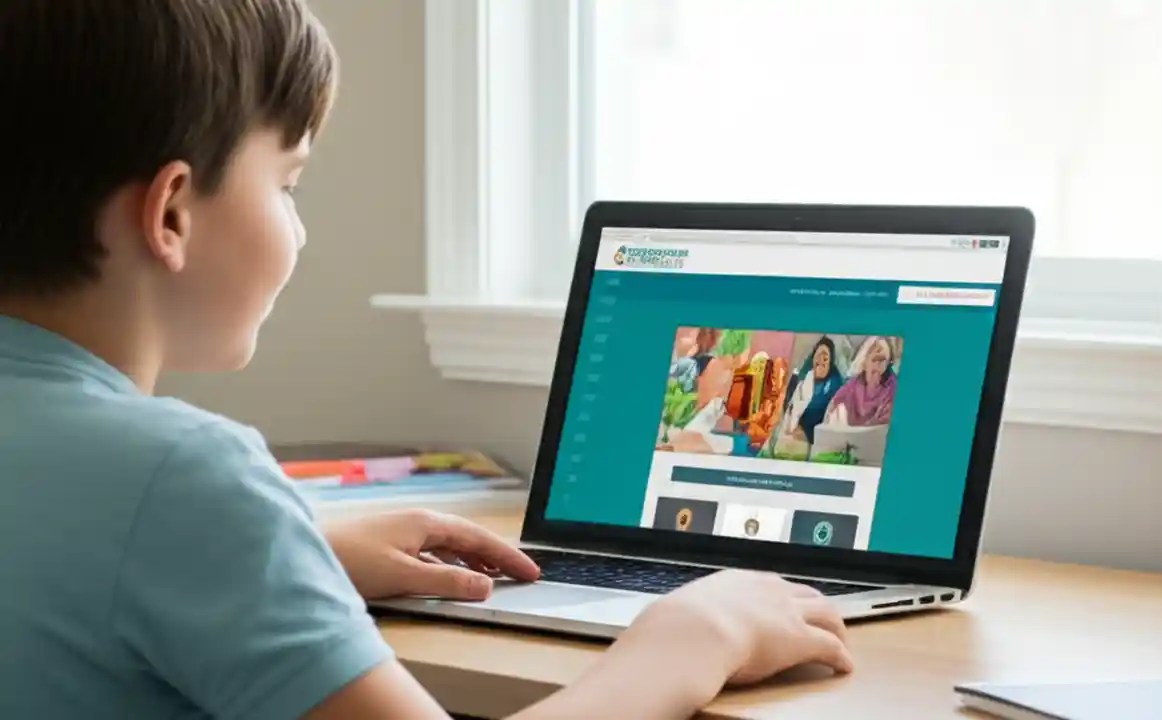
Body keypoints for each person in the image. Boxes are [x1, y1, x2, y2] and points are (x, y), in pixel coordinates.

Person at [0, 3, 852, 719]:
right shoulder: (185, 479)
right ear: (173, 215)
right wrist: (693, 639)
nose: (298, 227)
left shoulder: (145, 498)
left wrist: (298, 555)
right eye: (288, 184)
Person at [783, 336, 845, 444]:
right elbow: (789, 405)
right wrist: (795, 426)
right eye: (818, 357)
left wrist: (813, 436)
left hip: (821, 435)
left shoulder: (835, 383)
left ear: (830, 364)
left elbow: (835, 417)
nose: (821, 361)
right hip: (798, 431)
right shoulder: (803, 379)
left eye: (825, 358)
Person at [827, 336, 898, 427]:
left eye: (883, 360)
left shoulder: (892, 388)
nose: (878, 365)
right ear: (864, 363)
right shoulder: (853, 384)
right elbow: (833, 403)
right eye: (875, 360)